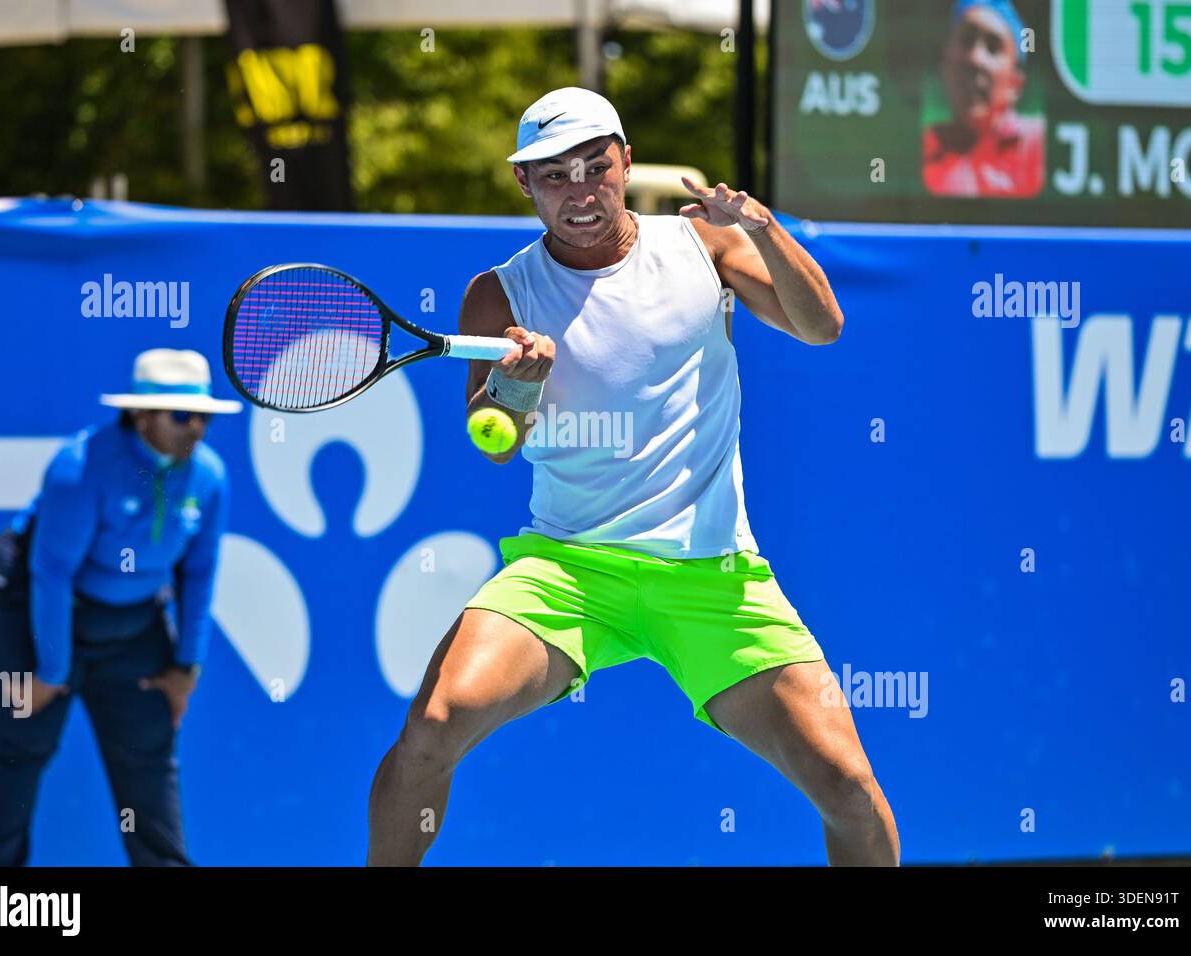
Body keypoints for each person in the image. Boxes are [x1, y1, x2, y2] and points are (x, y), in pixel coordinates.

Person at [367, 87, 899, 866]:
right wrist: (517, 385)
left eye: (594, 166)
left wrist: (760, 225)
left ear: (625, 159)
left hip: (714, 577)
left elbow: (822, 327)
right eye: (553, 175)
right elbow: (494, 442)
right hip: (566, 572)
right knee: (433, 727)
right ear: (524, 185)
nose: (579, 191)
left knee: (848, 789)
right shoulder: (499, 293)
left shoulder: (703, 248)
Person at [0, 348, 240, 866]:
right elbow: (51, 574)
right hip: (28, 609)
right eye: (182, 416)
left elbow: (199, 572)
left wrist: (186, 667)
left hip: (131, 624)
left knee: (149, 758)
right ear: (140, 414)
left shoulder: (210, 477)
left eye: (205, 416)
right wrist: (51, 672)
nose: (197, 429)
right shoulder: (80, 466)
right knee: (18, 747)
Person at [923, 0, 1044, 198]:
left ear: (1015, 84)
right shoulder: (925, 149)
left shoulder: (1036, 147)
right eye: (966, 40)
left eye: (993, 47)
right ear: (944, 66)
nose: (975, 59)